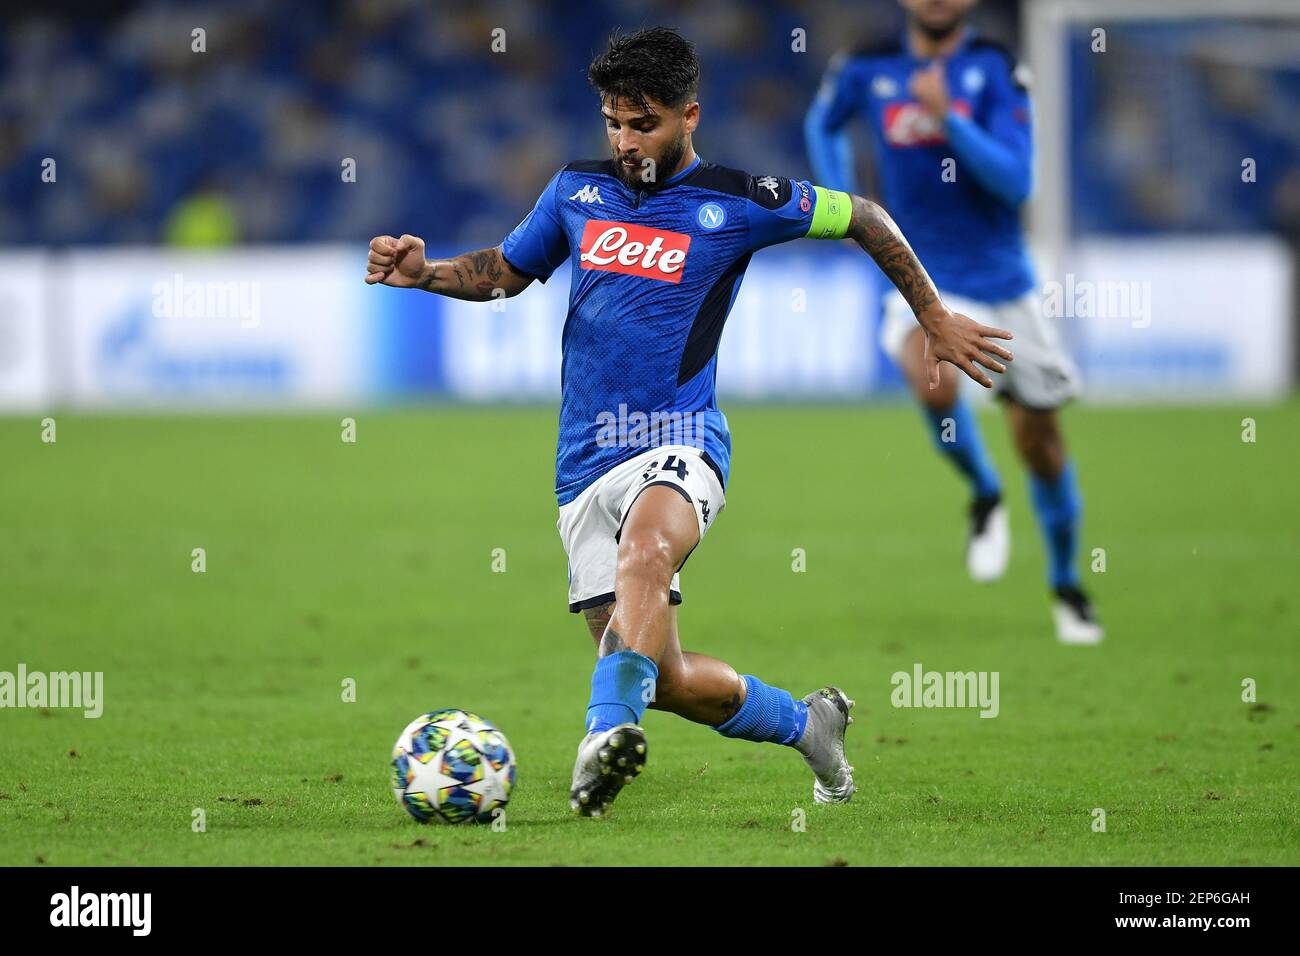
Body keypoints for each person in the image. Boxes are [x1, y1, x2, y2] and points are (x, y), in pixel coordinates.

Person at [366, 27, 1013, 817]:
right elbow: (504, 272)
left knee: (647, 555)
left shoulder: (740, 202)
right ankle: (809, 725)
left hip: (679, 441)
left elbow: (867, 218)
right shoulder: (575, 189)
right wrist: (424, 275)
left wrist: (933, 316)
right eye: (614, 122)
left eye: (646, 124)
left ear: (689, 116)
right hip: (581, 469)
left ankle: (601, 737)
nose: (627, 141)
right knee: (663, 677)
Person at [806, 0, 1102, 644]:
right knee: (929, 375)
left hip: (1004, 284)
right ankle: (985, 492)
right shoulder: (865, 63)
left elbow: (1017, 182)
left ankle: (1067, 584)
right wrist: (844, 205)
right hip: (923, 275)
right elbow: (823, 121)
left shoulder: (996, 67)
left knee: (1041, 444)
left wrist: (950, 119)